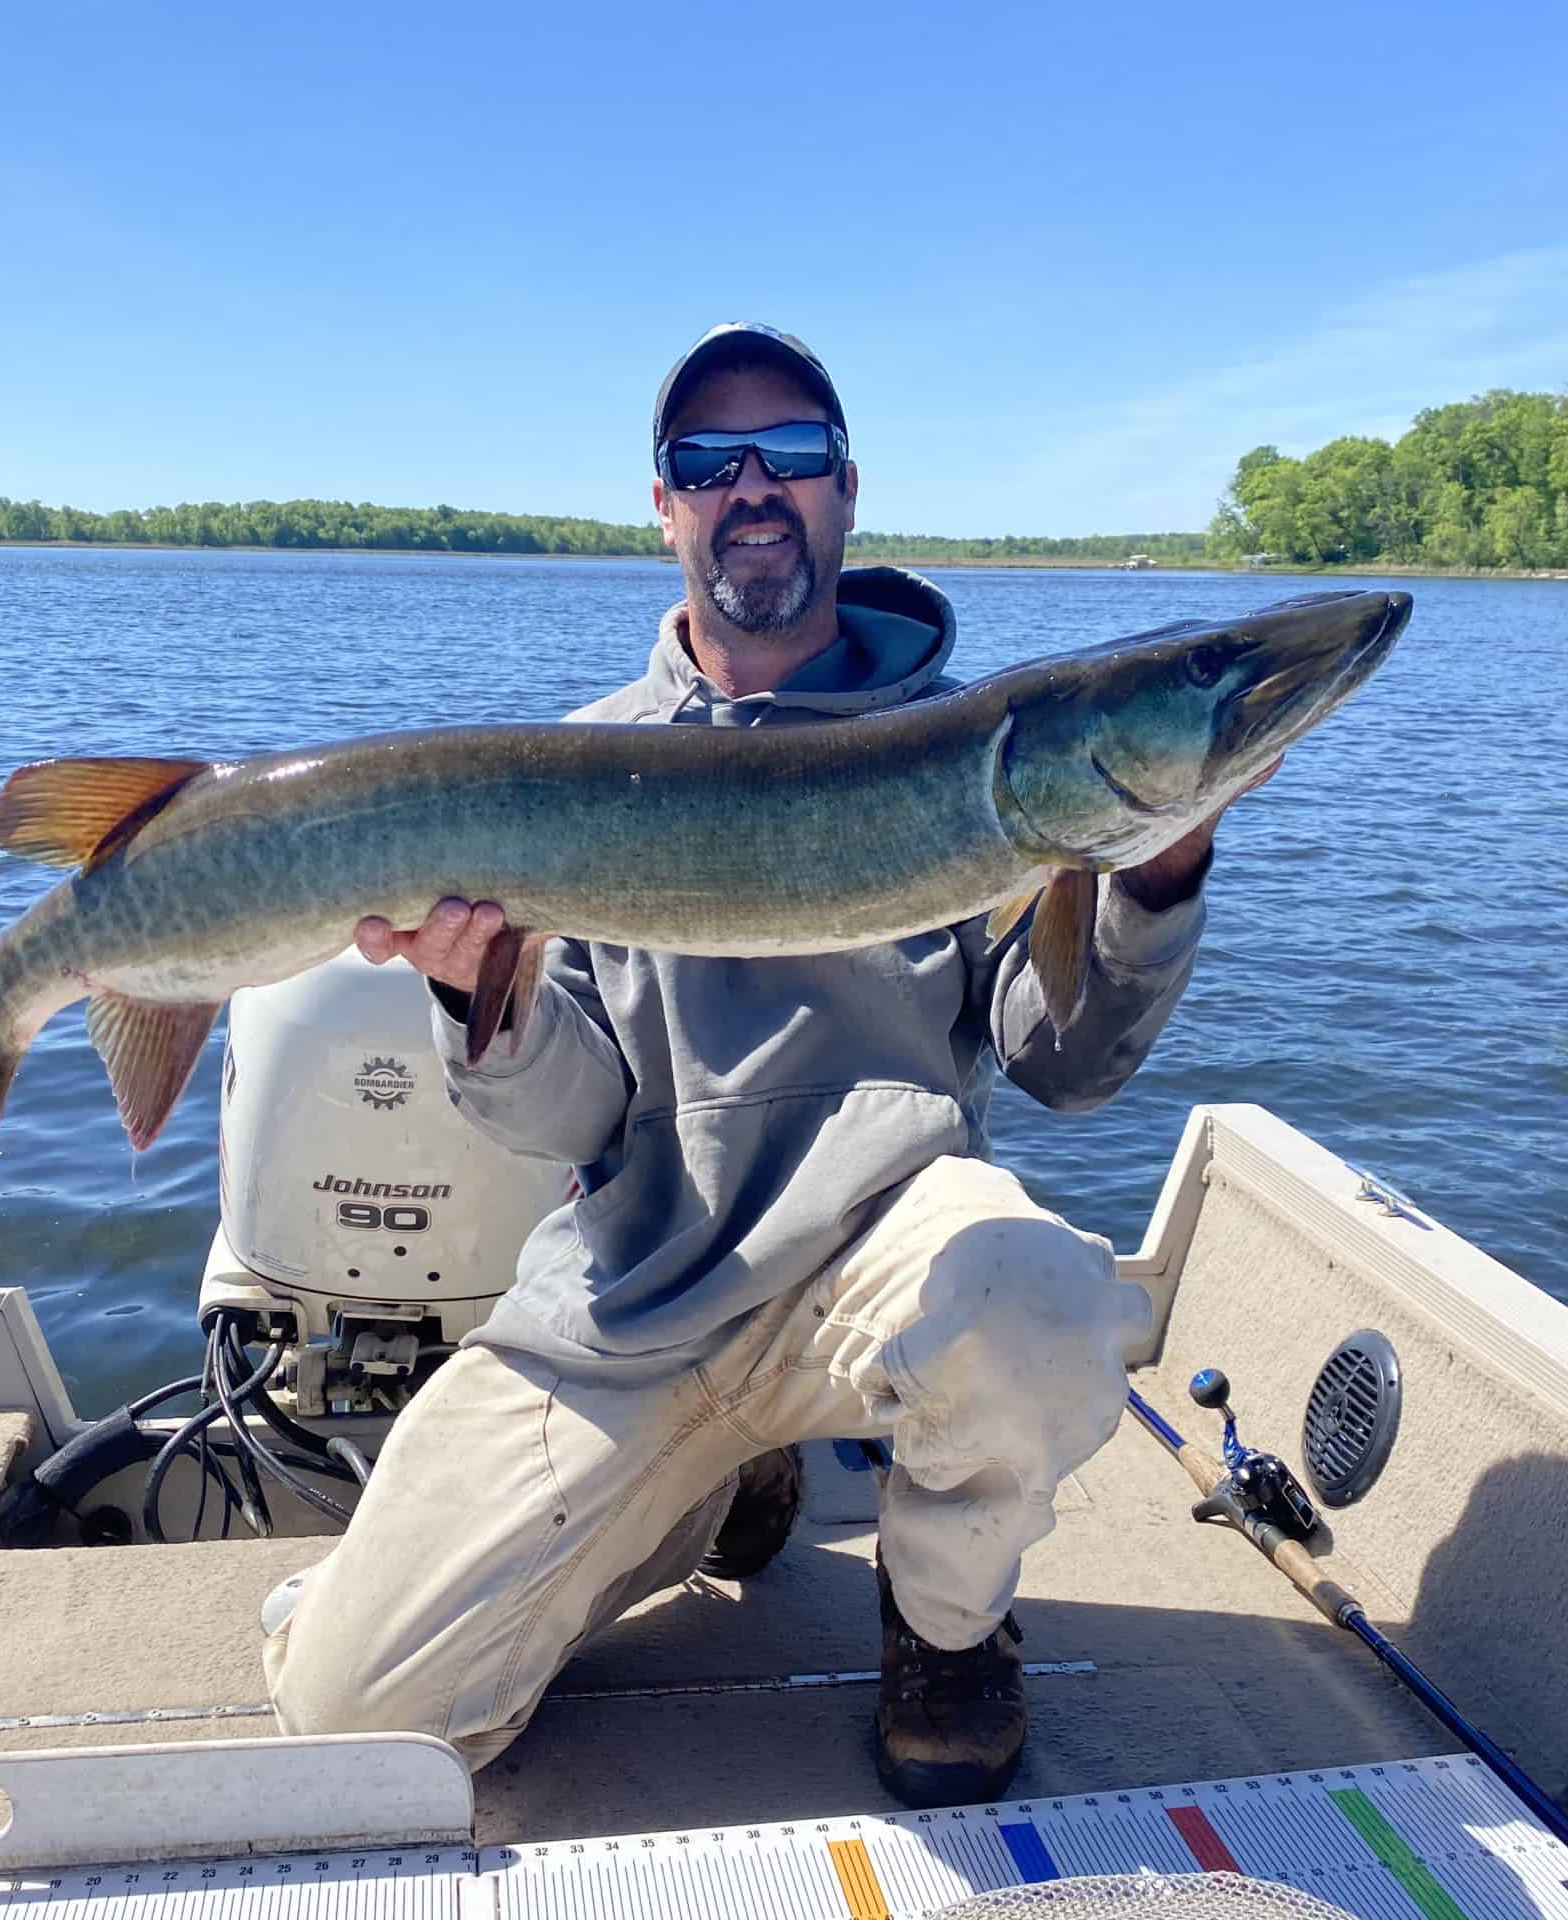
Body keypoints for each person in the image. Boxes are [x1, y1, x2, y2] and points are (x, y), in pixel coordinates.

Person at [263, 323, 1272, 1806]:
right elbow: (578, 1111)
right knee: (360, 1726)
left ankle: (946, 1631)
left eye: (791, 454)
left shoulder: (974, 756)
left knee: (1042, 1295)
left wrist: (1154, 875)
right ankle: (709, 1488)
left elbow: (1065, 1067)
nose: (753, 485)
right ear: (664, 507)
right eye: (707, 461)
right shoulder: (572, 771)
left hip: (888, 1259)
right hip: (639, 1291)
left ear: (846, 493)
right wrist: (485, 1003)